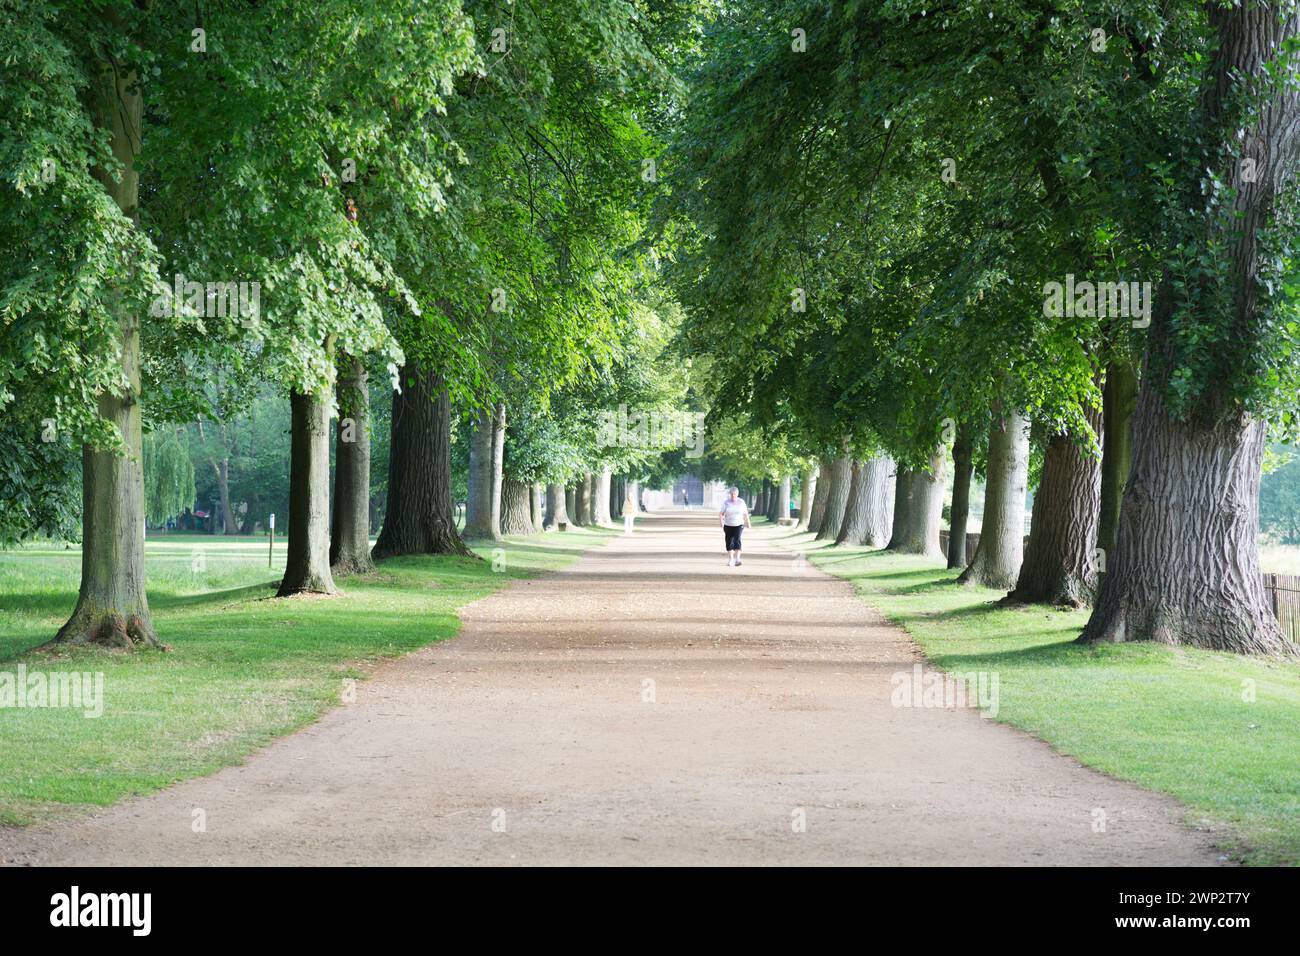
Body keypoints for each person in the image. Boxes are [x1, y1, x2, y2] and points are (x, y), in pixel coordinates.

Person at [718, 486, 752, 567]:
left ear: (737, 494)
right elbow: (721, 513)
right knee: (729, 541)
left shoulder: (741, 502)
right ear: (730, 494)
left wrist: (748, 523)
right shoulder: (726, 502)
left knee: (737, 540)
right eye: (732, 494)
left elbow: (745, 513)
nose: (733, 495)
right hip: (728, 524)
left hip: (739, 524)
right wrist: (721, 522)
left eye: (735, 494)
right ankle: (731, 559)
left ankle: (738, 559)